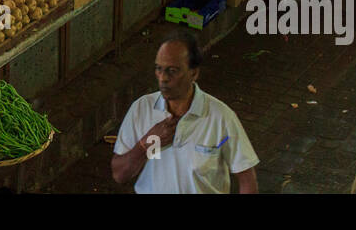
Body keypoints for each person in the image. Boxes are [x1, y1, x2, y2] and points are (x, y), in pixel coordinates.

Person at [111, 31, 259, 194]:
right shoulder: (141, 109)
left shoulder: (221, 117)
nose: (163, 78)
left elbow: (247, 179)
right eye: (159, 69)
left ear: (194, 73)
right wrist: (148, 143)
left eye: (172, 71)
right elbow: (120, 175)